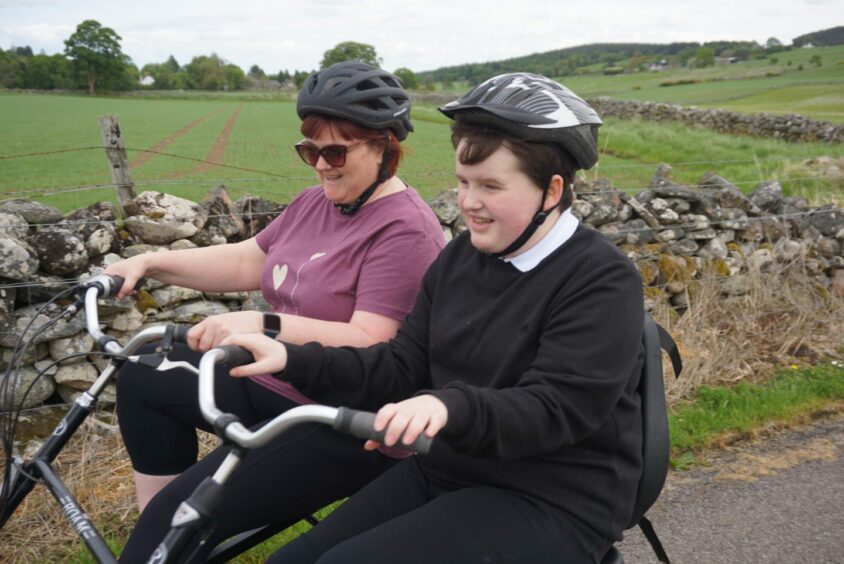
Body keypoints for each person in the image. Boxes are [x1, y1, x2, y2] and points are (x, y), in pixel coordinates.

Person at [224, 72, 646, 563]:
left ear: (551, 191)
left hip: (555, 497)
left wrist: (448, 407)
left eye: (491, 186)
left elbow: (556, 407)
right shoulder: (460, 258)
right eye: (463, 182)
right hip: (449, 470)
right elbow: (401, 368)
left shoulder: (600, 278)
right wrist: (291, 358)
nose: (468, 203)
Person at [107, 61, 445, 562]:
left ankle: (168, 531)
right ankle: (165, 536)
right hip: (277, 378)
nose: (320, 165)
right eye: (309, 150)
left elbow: (371, 339)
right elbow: (250, 258)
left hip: (342, 417)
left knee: (176, 520)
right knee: (142, 373)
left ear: (385, 148)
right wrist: (151, 262)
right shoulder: (316, 202)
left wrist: (263, 322)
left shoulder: (406, 230)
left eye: (335, 151)